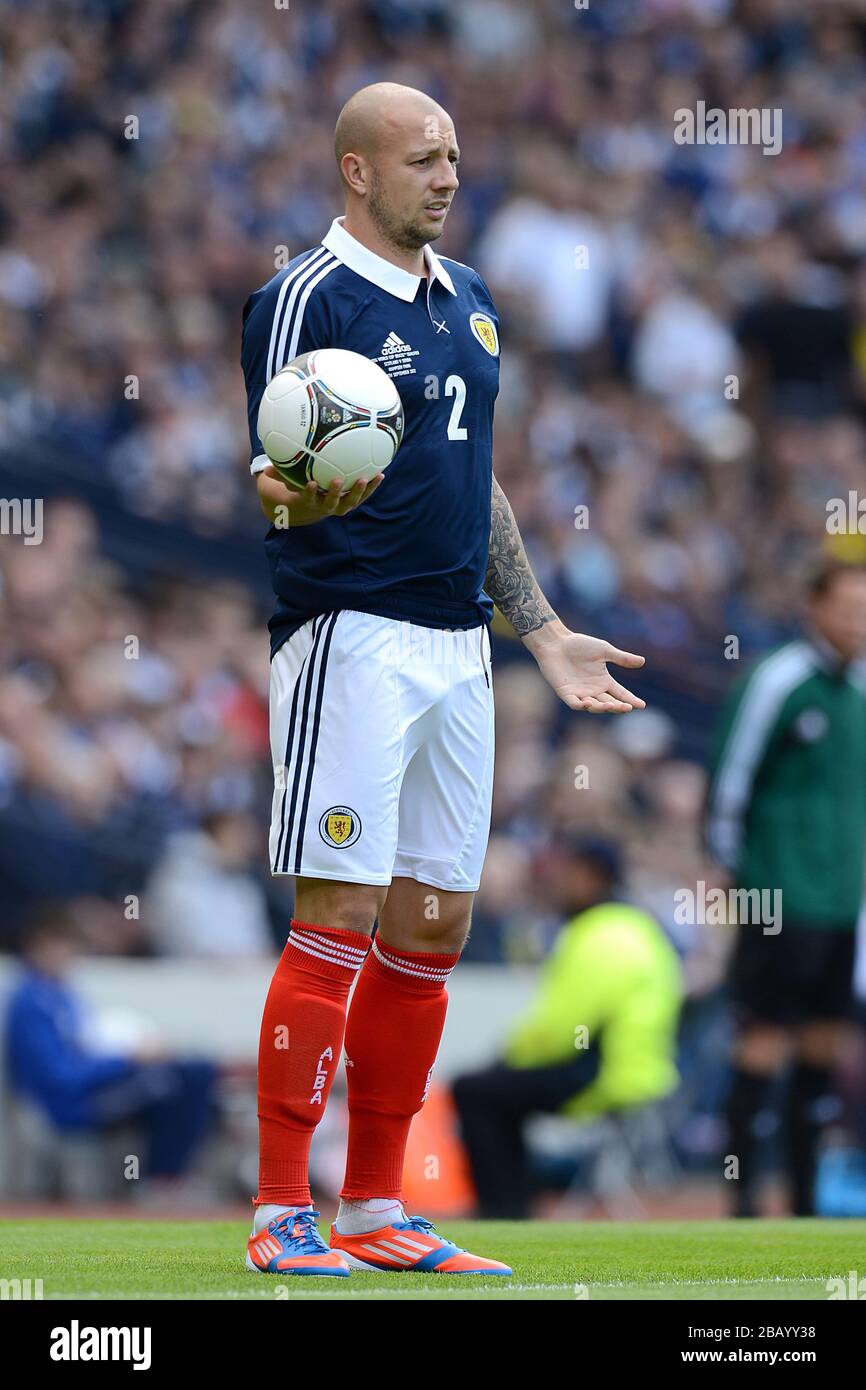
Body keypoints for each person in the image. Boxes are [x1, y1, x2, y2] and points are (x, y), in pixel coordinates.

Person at [239, 82, 646, 1277]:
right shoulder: (303, 294)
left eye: (453, 155)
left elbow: (479, 480)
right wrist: (314, 488)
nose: (447, 174)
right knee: (340, 918)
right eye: (422, 157)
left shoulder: (468, 302)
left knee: (435, 925)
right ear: (357, 170)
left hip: (457, 646)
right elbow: (271, 470)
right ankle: (277, 1210)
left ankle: (373, 1207)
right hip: (348, 634)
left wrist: (540, 627)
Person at [705, 559, 866, 1216]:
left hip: (841, 903)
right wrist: (740, 875)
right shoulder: (776, 680)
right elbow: (729, 783)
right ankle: (742, 1204)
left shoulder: (860, 690)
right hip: (775, 896)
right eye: (849, 606)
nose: (859, 621)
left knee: (824, 1047)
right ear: (815, 608)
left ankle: (802, 1204)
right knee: (763, 1040)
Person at [452, 836, 682, 1218]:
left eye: (568, 873)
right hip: (638, 1070)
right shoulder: (638, 928)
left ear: (593, 877)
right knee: (495, 1093)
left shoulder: (597, 933)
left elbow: (561, 1028)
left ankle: (505, 1211)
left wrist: (507, 1056)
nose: (558, 882)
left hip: (603, 1072)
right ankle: (514, 1204)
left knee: (475, 1090)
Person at [4, 907, 218, 1195]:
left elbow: (87, 1049)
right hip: (68, 1103)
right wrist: (127, 1059)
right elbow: (60, 1075)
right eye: (60, 946)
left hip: (87, 1087)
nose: (67, 956)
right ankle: (160, 1182)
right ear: (38, 946)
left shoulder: (63, 996)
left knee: (196, 1072)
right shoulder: (32, 1003)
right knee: (171, 1083)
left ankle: (167, 1177)